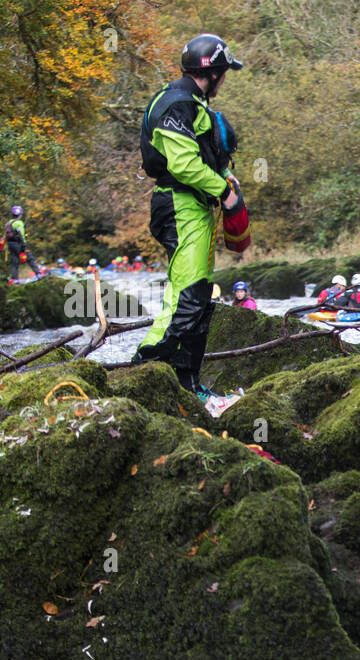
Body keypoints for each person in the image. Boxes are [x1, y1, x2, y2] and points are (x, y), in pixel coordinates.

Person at [130, 33, 245, 396]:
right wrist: (224, 191)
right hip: (179, 205)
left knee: (200, 295)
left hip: (193, 206)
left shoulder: (192, 102)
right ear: (212, 72)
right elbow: (183, 164)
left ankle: (187, 385)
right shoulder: (177, 104)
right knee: (188, 295)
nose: (225, 79)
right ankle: (145, 373)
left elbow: (202, 157)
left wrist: (224, 175)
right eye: (224, 71)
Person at [0, 205, 35, 282]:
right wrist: (24, 245)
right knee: (30, 258)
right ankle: (39, 273)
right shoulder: (19, 223)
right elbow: (21, 234)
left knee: (14, 262)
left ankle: (15, 279)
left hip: (10, 244)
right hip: (19, 244)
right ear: (20, 214)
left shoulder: (8, 223)